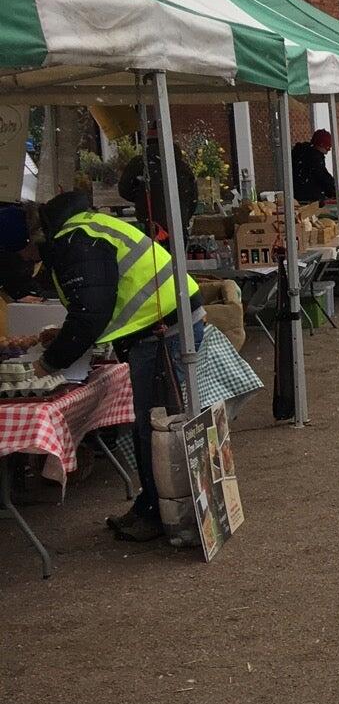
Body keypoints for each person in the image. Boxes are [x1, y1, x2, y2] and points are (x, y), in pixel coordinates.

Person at [4, 192, 204, 541]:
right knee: (157, 423)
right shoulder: (87, 227)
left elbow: (91, 312)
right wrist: (65, 334)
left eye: (20, 254)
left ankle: (160, 515)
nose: (24, 263)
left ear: (31, 241)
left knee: (154, 428)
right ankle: (157, 508)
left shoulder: (74, 240)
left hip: (162, 330)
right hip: (170, 320)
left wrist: (51, 362)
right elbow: (103, 298)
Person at [117, 129, 199, 239]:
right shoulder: (182, 167)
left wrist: (142, 198)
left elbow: (124, 190)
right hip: (178, 224)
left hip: (150, 224)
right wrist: (184, 216)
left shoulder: (140, 164)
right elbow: (193, 198)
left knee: (153, 255)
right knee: (177, 255)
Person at [291, 129, 338, 204]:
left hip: (298, 195)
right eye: (327, 146)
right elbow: (322, 176)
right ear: (321, 145)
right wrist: (335, 191)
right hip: (310, 197)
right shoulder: (314, 157)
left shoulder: (302, 154)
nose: (328, 149)